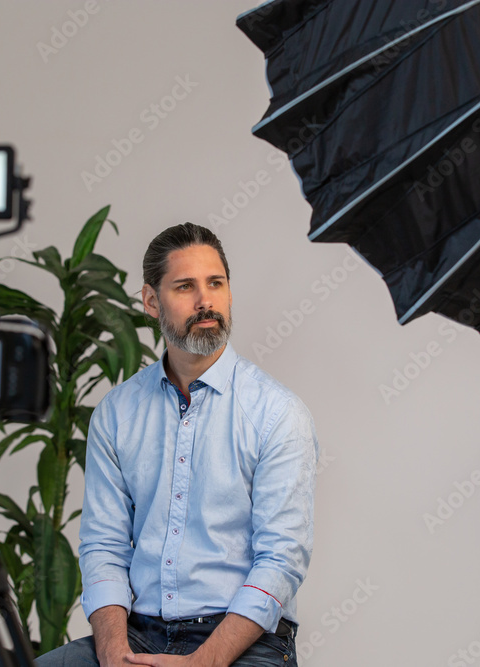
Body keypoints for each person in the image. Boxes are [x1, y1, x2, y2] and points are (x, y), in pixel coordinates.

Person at [35, 223, 319, 666]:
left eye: (216, 284)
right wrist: (113, 655)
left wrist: (202, 663)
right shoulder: (117, 412)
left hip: (246, 640)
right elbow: (104, 546)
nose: (206, 301)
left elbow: (281, 559)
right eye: (185, 286)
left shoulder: (277, 413)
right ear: (151, 301)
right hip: (137, 633)